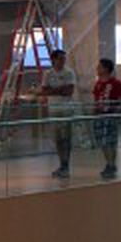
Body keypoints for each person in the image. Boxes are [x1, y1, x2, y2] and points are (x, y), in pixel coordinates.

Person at [40, 48, 78, 178]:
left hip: (66, 110)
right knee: (58, 139)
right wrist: (60, 89)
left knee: (66, 138)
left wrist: (53, 90)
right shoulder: (47, 74)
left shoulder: (69, 72)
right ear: (53, 60)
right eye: (60, 59)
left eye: (64, 59)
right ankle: (62, 164)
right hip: (53, 110)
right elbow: (44, 91)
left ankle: (66, 165)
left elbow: (69, 91)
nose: (63, 61)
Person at [92, 57, 121, 180]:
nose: (97, 69)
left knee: (110, 141)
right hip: (99, 116)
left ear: (106, 69)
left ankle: (111, 164)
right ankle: (109, 163)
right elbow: (96, 99)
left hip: (110, 116)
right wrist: (94, 111)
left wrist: (117, 113)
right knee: (102, 141)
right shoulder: (98, 84)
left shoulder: (116, 83)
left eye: (99, 67)